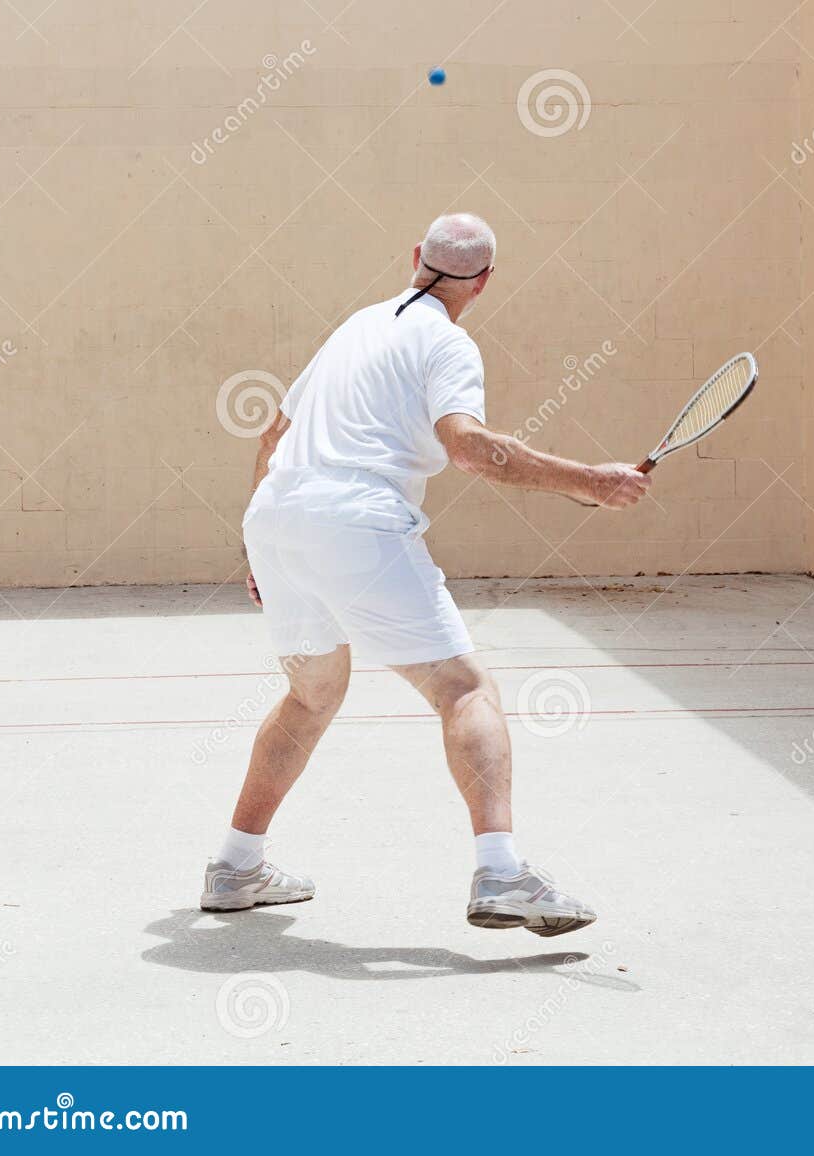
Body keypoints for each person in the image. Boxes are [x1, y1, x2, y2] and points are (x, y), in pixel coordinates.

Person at [201, 212, 650, 936]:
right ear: (486, 282)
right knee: (464, 689)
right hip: (356, 520)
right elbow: (468, 447)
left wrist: (260, 549)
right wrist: (589, 481)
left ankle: (235, 865)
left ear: (415, 257)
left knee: (311, 697)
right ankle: (501, 872)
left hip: (276, 518)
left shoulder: (355, 326)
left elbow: (272, 433)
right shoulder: (448, 343)